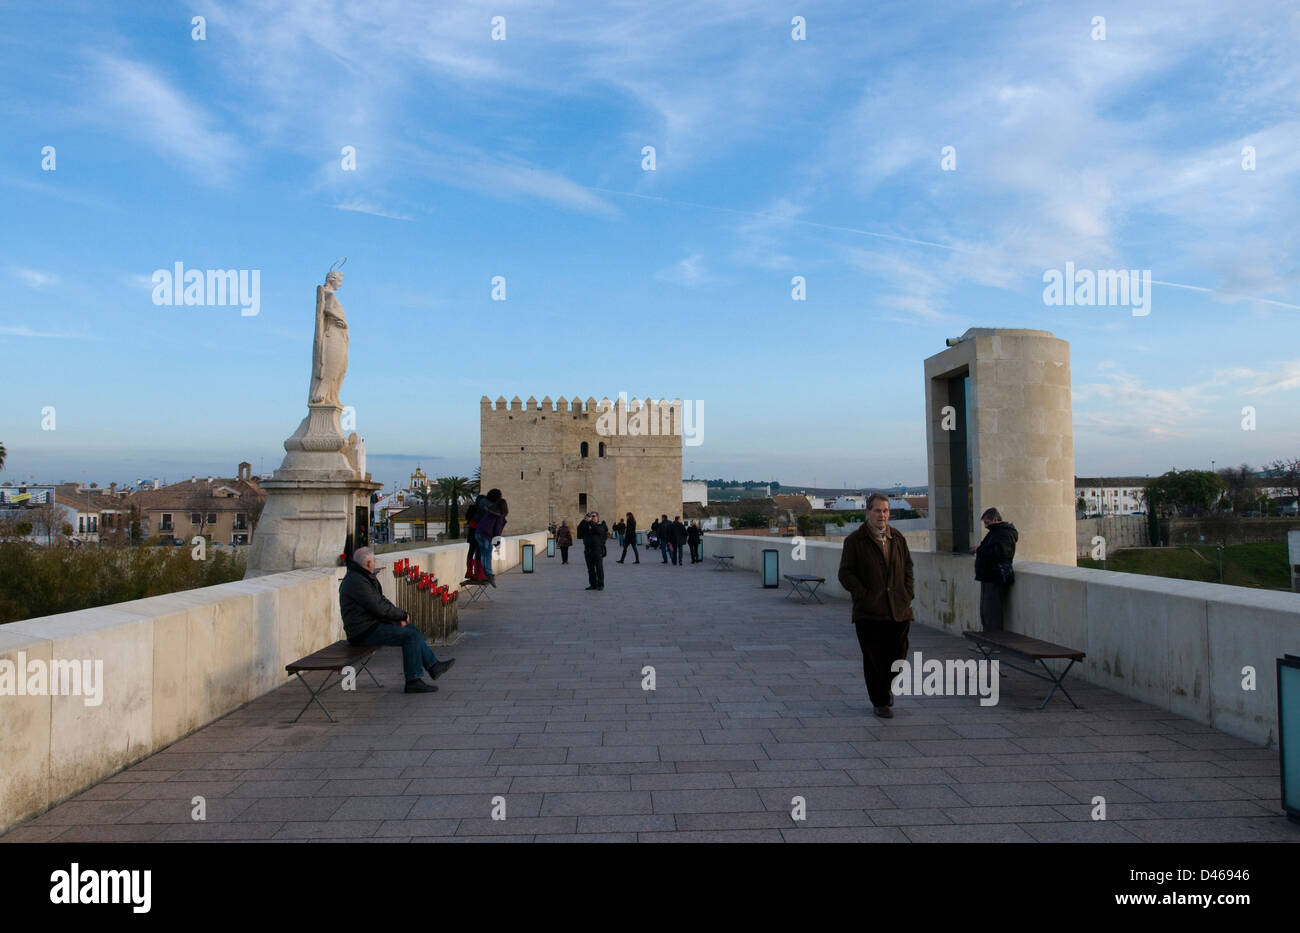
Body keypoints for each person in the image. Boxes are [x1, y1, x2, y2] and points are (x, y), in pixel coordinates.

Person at [837, 492, 914, 718]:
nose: (882, 515)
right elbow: (845, 573)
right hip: (869, 612)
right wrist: (863, 594)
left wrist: (908, 593)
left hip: (898, 609)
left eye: (886, 510)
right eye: (878, 510)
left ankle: (886, 687)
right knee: (874, 658)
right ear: (868, 512)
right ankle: (880, 701)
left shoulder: (897, 538)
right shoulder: (855, 540)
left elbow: (908, 568)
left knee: (899, 656)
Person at [340, 546, 455, 694]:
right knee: (410, 636)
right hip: (363, 632)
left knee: (410, 629)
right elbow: (378, 607)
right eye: (374, 560)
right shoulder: (358, 581)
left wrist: (399, 618)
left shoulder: (360, 576)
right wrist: (401, 615)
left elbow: (380, 601)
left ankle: (433, 666)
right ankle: (413, 681)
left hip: (369, 625)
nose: (375, 562)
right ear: (368, 563)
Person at [972, 507, 1018, 632]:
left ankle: (994, 641)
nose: (986, 526)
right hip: (988, 576)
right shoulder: (996, 533)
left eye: (987, 522)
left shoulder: (1003, 533)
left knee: (992, 612)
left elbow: (1001, 552)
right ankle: (989, 639)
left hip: (995, 577)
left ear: (995, 519)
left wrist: (980, 550)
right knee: (986, 611)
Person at [474, 496, 508, 587]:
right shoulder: (499, 516)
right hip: (486, 535)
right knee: (487, 555)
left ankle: (485, 573)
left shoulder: (489, 512)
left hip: (478, 533)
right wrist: (497, 543)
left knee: (483, 554)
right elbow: (497, 530)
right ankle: (489, 574)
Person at [577, 511, 609, 590]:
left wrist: (591, 522)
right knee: (590, 569)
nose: (592, 517)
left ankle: (600, 584)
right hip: (588, 550)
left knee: (599, 568)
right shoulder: (587, 525)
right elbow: (579, 532)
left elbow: (598, 531)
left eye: (594, 516)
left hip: (597, 550)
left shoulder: (601, 524)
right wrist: (584, 520)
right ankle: (593, 584)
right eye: (591, 516)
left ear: (598, 517)